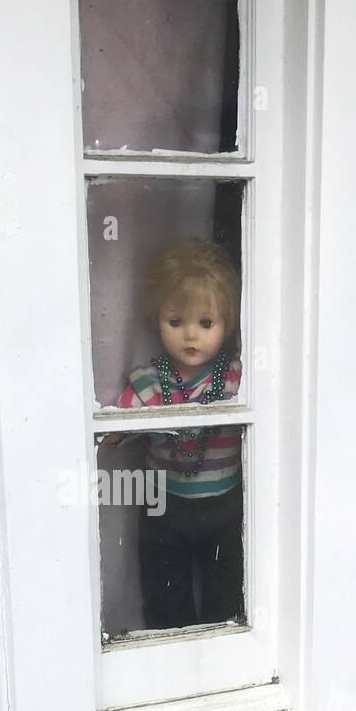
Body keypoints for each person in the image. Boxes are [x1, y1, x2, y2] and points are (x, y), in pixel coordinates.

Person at [116, 238, 244, 630]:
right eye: (176, 322)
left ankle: (223, 663)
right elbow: (117, 429)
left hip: (225, 507)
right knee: (165, 598)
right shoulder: (147, 381)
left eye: (206, 324)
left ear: (228, 323)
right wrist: (112, 435)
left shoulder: (237, 377)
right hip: (164, 508)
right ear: (156, 319)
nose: (191, 336)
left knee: (226, 597)